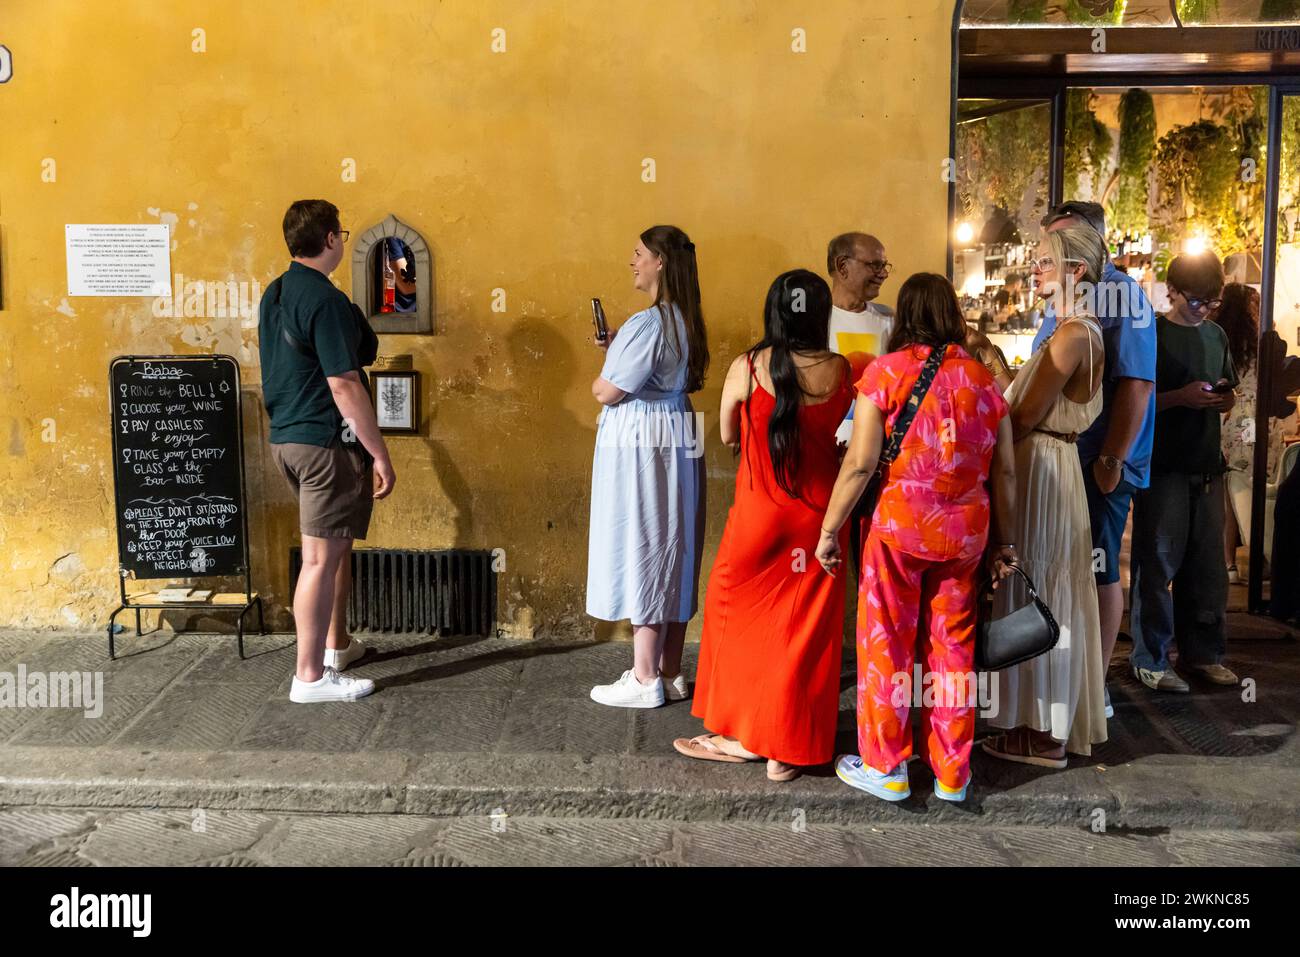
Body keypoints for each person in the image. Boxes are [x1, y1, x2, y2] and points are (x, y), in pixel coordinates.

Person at [815, 273, 1017, 803]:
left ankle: (887, 766)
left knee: (887, 643)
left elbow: (860, 464)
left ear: (904, 315)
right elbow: (1007, 474)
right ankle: (952, 772)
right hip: (967, 534)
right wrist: (1006, 543)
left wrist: (829, 529)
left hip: (899, 530)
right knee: (953, 646)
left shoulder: (886, 373)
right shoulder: (983, 381)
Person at [676, 271, 854, 782]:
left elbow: (729, 433)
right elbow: (851, 442)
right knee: (803, 635)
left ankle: (740, 736)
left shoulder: (748, 366)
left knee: (738, 620)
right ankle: (786, 750)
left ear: (774, 312)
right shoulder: (841, 372)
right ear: (820, 315)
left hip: (759, 515)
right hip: (821, 520)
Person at [259, 199, 394, 704]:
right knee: (319, 559)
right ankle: (309, 678)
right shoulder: (325, 301)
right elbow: (344, 384)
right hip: (323, 442)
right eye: (341, 232)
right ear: (333, 239)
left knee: (333, 548)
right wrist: (378, 452)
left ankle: (336, 646)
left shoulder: (275, 293)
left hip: (288, 440)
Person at [983, 223, 1108, 768]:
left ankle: (1045, 734)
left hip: (1045, 471)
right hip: (1047, 466)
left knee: (1042, 592)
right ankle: (1030, 726)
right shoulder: (1070, 330)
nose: (1034, 270)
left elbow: (1023, 414)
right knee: (1045, 592)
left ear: (1075, 272)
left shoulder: (1073, 335)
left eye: (1045, 263)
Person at [1032, 201, 1156, 719]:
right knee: (1072, 568)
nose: (1046, 258)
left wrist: (1110, 461)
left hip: (1098, 461)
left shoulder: (1123, 296)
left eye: (1059, 246)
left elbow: (1136, 383)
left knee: (1100, 567)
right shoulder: (1066, 301)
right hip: (1066, 459)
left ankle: (1095, 685)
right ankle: (1069, 676)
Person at [587, 225, 709, 708]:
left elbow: (607, 390)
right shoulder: (685, 319)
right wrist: (621, 350)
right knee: (674, 542)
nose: (632, 261)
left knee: (644, 536)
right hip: (676, 431)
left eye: (638, 254)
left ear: (660, 261)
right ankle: (671, 670)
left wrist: (613, 361)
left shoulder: (649, 322)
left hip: (642, 440)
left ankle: (642, 677)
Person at [1130, 253, 1238, 693]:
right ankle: (1151, 657)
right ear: (1172, 290)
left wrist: (1223, 400)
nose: (1205, 310)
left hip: (1207, 464)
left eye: (1212, 302)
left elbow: (1227, 386)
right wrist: (1180, 398)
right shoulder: (1152, 334)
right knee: (1157, 564)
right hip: (1164, 466)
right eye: (1197, 302)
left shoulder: (1216, 335)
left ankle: (1203, 654)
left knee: (1208, 570)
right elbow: (1131, 403)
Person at [1214, 284, 1282, 582]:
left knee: (1231, 495)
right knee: (1262, 492)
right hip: (1262, 422)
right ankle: (1263, 558)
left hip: (1234, 420)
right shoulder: (1262, 344)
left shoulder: (1222, 340)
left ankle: (1229, 563)